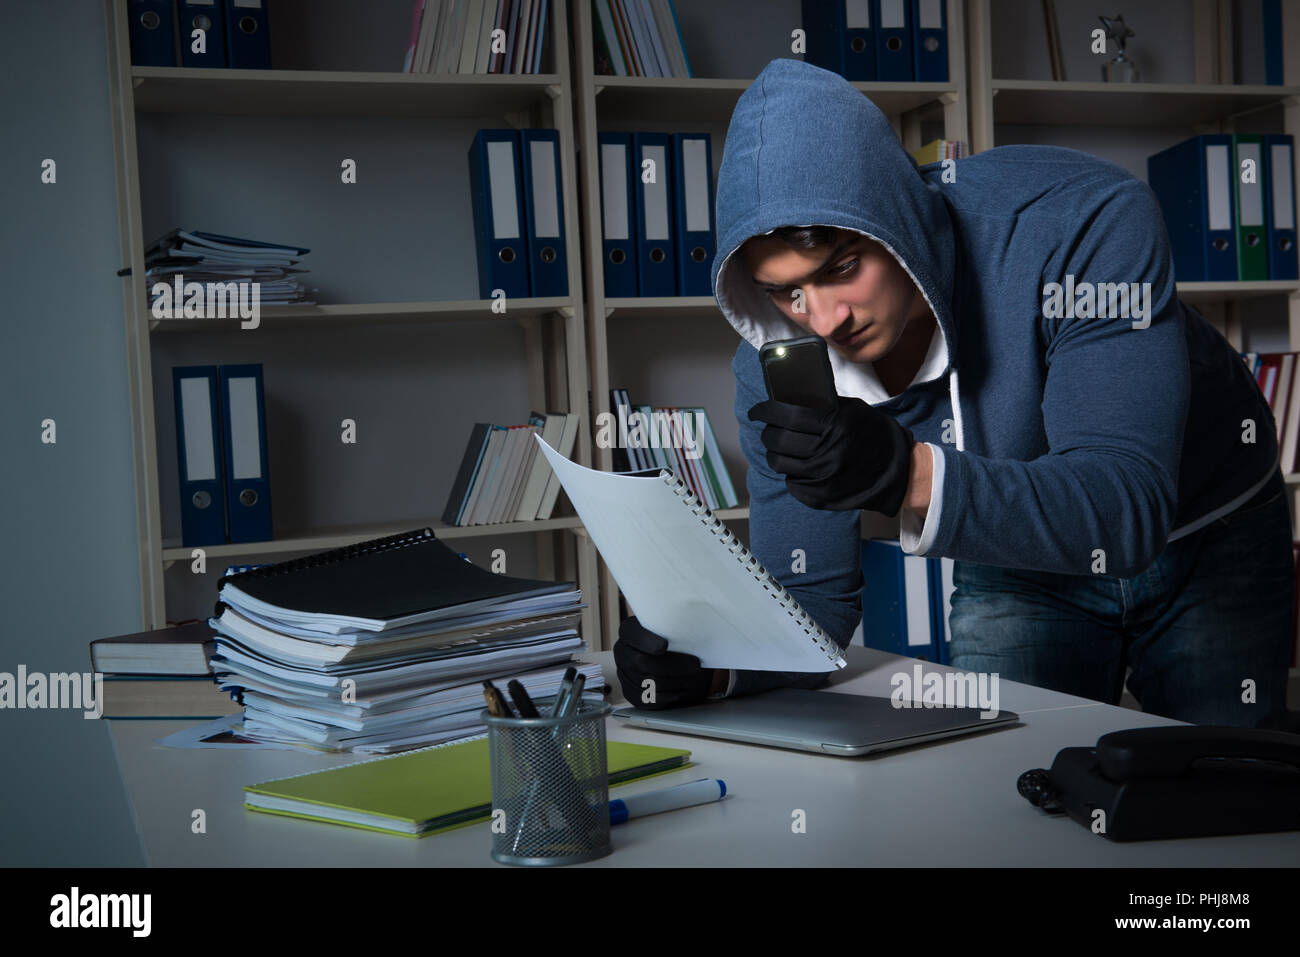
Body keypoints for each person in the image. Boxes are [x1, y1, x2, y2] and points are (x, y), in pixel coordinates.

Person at [614, 58, 1294, 728]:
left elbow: (1125, 507)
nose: (824, 320)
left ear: (900, 221)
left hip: (1209, 523)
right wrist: (716, 665)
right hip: (1016, 545)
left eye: (843, 268)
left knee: (1227, 792)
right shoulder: (776, 357)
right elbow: (809, 598)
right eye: (787, 291)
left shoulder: (1085, 221)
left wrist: (901, 472)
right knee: (1014, 787)